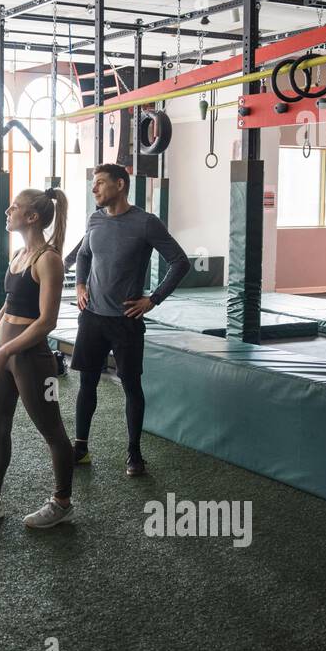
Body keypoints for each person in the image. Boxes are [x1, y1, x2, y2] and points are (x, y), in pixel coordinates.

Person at [0, 188, 76, 529]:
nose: (8, 212)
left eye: (14, 208)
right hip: (2, 356)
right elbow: (7, 307)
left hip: (33, 361)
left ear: (32, 217)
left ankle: (62, 503)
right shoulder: (19, 255)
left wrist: (6, 350)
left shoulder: (48, 260)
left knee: (52, 431)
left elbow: (46, 322)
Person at [72, 163, 189, 476]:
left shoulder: (146, 223)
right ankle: (80, 448)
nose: (94, 188)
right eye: (94, 183)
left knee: (131, 386)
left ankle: (134, 454)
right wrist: (80, 284)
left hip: (126, 321)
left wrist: (153, 299)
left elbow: (180, 262)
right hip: (92, 317)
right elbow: (83, 254)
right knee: (87, 383)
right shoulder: (94, 219)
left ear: (120, 184)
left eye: (100, 182)